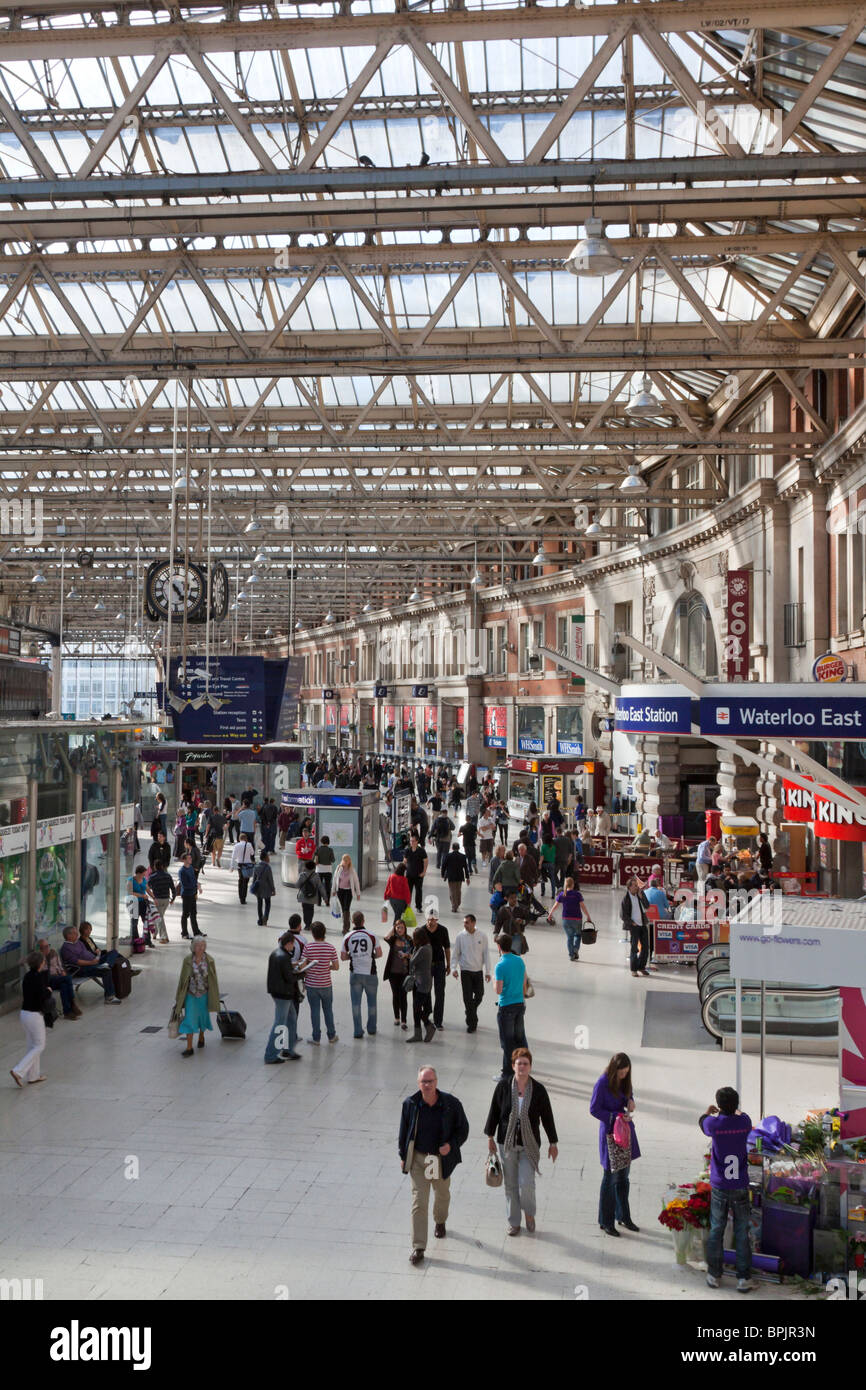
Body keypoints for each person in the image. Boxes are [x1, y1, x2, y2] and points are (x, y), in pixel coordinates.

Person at [398, 1065, 469, 1266]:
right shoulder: (410, 1104)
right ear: (418, 1084)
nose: (427, 1085)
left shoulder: (450, 1104)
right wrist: (403, 1155)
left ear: (436, 1082)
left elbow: (463, 1129)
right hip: (418, 1160)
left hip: (439, 1159)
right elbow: (403, 1131)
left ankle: (440, 1220)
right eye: (423, 1082)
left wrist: (451, 1145)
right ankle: (419, 1246)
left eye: (430, 1081)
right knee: (419, 1202)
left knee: (442, 1194)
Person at [484, 1047, 558, 1235]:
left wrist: (553, 1143)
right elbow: (494, 1111)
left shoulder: (539, 1090)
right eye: (519, 1063)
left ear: (530, 1067)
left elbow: (547, 1116)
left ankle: (529, 1213)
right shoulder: (503, 1087)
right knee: (510, 1184)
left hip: (529, 1143)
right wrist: (490, 1137)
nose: (522, 1067)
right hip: (506, 1143)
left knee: (526, 1183)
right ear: (513, 1066)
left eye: (526, 1063)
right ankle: (514, 1221)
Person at [700, 1086, 756, 1292]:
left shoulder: (714, 1124)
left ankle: (714, 1273)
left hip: (720, 1186)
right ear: (736, 1104)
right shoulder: (744, 1123)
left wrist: (708, 1111)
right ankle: (743, 1278)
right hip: (740, 1185)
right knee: (742, 1231)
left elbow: (702, 1122)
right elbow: (745, 1117)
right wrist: (736, 1112)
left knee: (717, 1229)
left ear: (719, 1105)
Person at [590, 1052, 640, 1236]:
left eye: (626, 1073)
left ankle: (623, 1216)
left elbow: (629, 1095)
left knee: (623, 1177)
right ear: (614, 1070)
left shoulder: (625, 1081)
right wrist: (614, 1117)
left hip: (624, 1132)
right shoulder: (602, 1083)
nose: (623, 1076)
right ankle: (606, 1221)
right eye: (621, 1073)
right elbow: (594, 1108)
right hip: (610, 1134)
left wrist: (630, 1101)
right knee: (610, 1178)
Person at [11, 950, 52, 1086]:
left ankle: (33, 1075)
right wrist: (49, 991)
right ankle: (18, 1070)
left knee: (32, 1045)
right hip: (35, 1015)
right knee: (40, 1045)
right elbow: (41, 995)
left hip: (25, 1013)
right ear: (41, 963)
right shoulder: (38, 978)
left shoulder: (28, 976)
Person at [175, 936, 220, 1058]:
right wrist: (179, 996)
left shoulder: (209, 960)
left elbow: (213, 980)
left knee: (202, 1018)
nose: (201, 948)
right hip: (190, 994)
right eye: (198, 946)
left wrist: (214, 995)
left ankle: (201, 1036)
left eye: (203, 946)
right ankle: (189, 1048)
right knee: (189, 1019)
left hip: (204, 994)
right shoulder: (187, 960)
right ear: (193, 948)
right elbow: (182, 979)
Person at [341, 910, 381, 1039]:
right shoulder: (372, 935)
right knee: (372, 1003)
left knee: (356, 1004)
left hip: (355, 974)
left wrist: (353, 956)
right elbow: (379, 954)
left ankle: (357, 1031)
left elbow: (342, 957)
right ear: (363, 921)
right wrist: (370, 955)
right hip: (370, 974)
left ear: (352, 921)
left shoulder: (347, 936)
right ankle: (371, 1028)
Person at [264, 928, 303, 1063]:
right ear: (289, 943)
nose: (293, 947)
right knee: (280, 1023)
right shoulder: (285, 957)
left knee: (291, 1019)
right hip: (283, 994)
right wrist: (303, 973)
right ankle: (270, 1055)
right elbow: (290, 978)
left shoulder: (276, 953)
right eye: (293, 944)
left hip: (279, 992)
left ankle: (288, 1049)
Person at [300, 920, 339, 1045]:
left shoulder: (308, 947)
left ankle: (316, 1038)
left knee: (315, 1011)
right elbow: (336, 966)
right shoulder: (330, 947)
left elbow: (303, 967)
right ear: (324, 933)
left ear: (312, 933)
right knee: (328, 1010)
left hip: (312, 985)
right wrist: (328, 967)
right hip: (326, 984)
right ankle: (332, 1035)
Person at [494, 933, 527, 1080]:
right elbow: (524, 981)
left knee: (507, 1042)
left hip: (506, 1006)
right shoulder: (519, 961)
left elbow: (498, 990)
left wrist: (495, 980)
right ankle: (525, 1065)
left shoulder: (500, 965)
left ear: (499, 947)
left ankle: (507, 1073)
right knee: (520, 1038)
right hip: (519, 1003)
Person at [59, 926, 122, 1003]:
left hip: (94, 961)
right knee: (106, 971)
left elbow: (87, 953)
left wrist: (97, 955)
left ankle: (106, 964)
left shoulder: (78, 942)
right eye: (75, 933)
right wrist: (91, 962)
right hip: (82, 968)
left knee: (114, 952)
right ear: (69, 935)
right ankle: (109, 997)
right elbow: (77, 962)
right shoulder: (66, 948)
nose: (77, 934)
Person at [451, 912, 490, 1033]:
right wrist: (453, 968)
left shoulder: (482, 936)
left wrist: (487, 971)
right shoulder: (460, 936)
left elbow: (486, 954)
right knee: (467, 998)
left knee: (480, 995)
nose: (465, 925)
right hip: (465, 971)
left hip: (478, 971)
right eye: (464, 923)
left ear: (474, 923)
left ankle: (469, 1010)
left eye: (467, 923)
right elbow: (456, 954)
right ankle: (472, 1023)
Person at [547, 876, 594, 961]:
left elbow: (555, 906)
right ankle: (575, 950)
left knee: (569, 937)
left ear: (565, 885)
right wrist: (588, 916)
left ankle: (571, 955)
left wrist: (550, 914)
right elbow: (583, 907)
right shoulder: (577, 894)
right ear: (573, 885)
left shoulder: (562, 894)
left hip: (566, 919)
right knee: (578, 935)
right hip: (577, 919)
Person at [37, 938, 81, 1020]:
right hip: (47, 981)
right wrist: (43, 956)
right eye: (45, 947)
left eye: (48, 946)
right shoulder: (38, 958)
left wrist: (62, 971)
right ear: (40, 949)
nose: (48, 948)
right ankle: (72, 1003)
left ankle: (67, 1012)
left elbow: (59, 965)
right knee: (67, 978)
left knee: (64, 985)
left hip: (58, 978)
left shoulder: (53, 953)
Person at [406, 926, 434, 1042]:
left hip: (423, 983)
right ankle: (418, 1034)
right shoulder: (424, 947)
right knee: (417, 1008)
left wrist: (410, 954)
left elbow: (412, 962)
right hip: (419, 981)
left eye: (414, 938)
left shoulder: (424, 949)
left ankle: (429, 1026)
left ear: (419, 938)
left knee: (417, 1008)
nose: (413, 940)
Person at [383, 917, 413, 1029]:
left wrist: (406, 955)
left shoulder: (410, 940)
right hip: (393, 972)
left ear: (405, 928)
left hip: (405, 972)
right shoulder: (393, 939)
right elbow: (386, 937)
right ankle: (397, 1017)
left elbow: (414, 955)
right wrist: (393, 926)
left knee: (403, 996)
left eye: (402, 927)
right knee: (395, 995)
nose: (400, 929)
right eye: (398, 927)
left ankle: (404, 1020)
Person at [620, 876, 650, 977]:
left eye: (637, 886)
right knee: (634, 948)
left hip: (642, 924)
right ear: (629, 887)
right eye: (635, 886)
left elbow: (647, 906)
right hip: (634, 926)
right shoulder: (626, 899)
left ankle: (641, 967)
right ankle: (633, 969)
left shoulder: (640, 895)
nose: (637, 887)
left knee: (645, 947)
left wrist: (642, 897)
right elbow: (623, 915)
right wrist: (632, 923)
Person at [425, 913, 451, 1029]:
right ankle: (426, 1015)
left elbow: (447, 948)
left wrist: (449, 964)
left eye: (433, 919)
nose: (431, 921)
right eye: (429, 919)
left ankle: (438, 1020)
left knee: (440, 992)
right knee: (426, 991)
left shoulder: (443, 930)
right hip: (426, 965)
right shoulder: (421, 930)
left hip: (440, 964)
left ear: (437, 919)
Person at [147, 861, 177, 942]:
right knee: (160, 917)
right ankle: (155, 933)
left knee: (159, 918)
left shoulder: (152, 877)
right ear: (163, 866)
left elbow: (147, 887)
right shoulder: (168, 876)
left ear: (155, 867)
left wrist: (153, 896)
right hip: (166, 900)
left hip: (157, 900)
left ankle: (164, 937)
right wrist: (173, 899)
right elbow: (173, 889)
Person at [333, 852, 361, 932]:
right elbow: (335, 879)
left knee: (346, 908)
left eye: (347, 860)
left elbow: (356, 882)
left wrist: (358, 893)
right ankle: (346, 924)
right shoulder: (338, 868)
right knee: (344, 909)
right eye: (344, 860)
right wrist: (334, 890)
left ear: (349, 861)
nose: (345, 861)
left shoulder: (352, 870)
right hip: (340, 891)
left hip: (348, 891)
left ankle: (345, 928)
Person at [177, 851, 203, 938]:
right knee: (185, 914)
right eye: (189, 858)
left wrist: (198, 885)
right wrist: (195, 885)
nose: (191, 859)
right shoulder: (182, 871)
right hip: (186, 895)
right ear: (184, 860)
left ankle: (196, 931)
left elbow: (194, 879)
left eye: (191, 858)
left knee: (193, 913)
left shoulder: (191, 868)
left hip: (192, 894)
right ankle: (184, 933)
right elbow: (185, 885)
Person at [441, 841, 470, 915]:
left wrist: (442, 874)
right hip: (459, 876)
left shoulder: (448, 856)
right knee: (458, 890)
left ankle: (454, 906)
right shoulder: (463, 856)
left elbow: (443, 865)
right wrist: (467, 877)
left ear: (452, 848)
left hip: (451, 876)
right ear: (459, 848)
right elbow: (466, 868)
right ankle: (458, 902)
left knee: (452, 891)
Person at [296, 859, 326, 929]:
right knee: (311, 910)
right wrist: (325, 897)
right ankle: (309, 923)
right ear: (314, 867)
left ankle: (306, 924)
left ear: (305, 867)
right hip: (312, 897)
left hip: (303, 896)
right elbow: (320, 887)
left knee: (305, 910)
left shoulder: (302, 875)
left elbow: (297, 885)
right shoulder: (316, 876)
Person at [127, 864, 151, 945]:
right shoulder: (131, 880)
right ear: (138, 873)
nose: (144, 876)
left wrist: (153, 897)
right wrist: (141, 895)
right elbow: (130, 892)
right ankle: (136, 941)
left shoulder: (143, 879)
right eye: (143, 874)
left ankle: (147, 940)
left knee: (146, 921)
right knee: (134, 923)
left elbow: (147, 889)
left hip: (143, 903)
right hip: (133, 903)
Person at [403, 833, 428, 912]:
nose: (411, 843)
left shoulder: (421, 851)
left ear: (417, 842)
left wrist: (424, 872)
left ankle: (418, 907)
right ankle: (406, 906)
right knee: (408, 891)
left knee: (418, 891)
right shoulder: (408, 850)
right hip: (409, 875)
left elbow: (426, 861)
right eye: (410, 841)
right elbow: (404, 861)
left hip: (419, 875)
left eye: (413, 841)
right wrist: (402, 871)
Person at [251, 849, 276, 925]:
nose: (269, 858)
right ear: (265, 858)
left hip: (258, 888)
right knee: (268, 903)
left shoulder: (256, 867)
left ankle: (260, 919)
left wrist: (253, 888)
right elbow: (270, 880)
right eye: (268, 857)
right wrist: (273, 889)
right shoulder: (268, 868)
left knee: (259, 904)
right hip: (267, 888)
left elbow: (254, 879)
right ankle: (265, 917)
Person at [231, 832, 256, 906]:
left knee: (240, 880)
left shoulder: (236, 846)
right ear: (246, 839)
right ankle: (243, 898)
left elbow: (233, 857)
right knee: (245, 882)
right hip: (247, 866)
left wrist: (231, 866)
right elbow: (252, 853)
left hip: (240, 866)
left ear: (239, 839)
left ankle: (240, 897)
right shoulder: (249, 844)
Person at [314, 835, 335, 903]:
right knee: (328, 886)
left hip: (319, 869)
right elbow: (333, 860)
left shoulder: (318, 849)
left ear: (321, 841)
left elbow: (314, 858)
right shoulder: (330, 850)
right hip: (328, 870)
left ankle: (319, 902)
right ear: (328, 842)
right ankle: (327, 901)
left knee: (319, 886)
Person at [538, 833, 557, 898]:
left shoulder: (543, 846)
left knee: (542, 877)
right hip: (551, 864)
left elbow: (542, 856)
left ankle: (543, 892)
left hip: (544, 864)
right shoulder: (553, 847)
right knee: (552, 879)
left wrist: (540, 864)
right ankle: (553, 894)